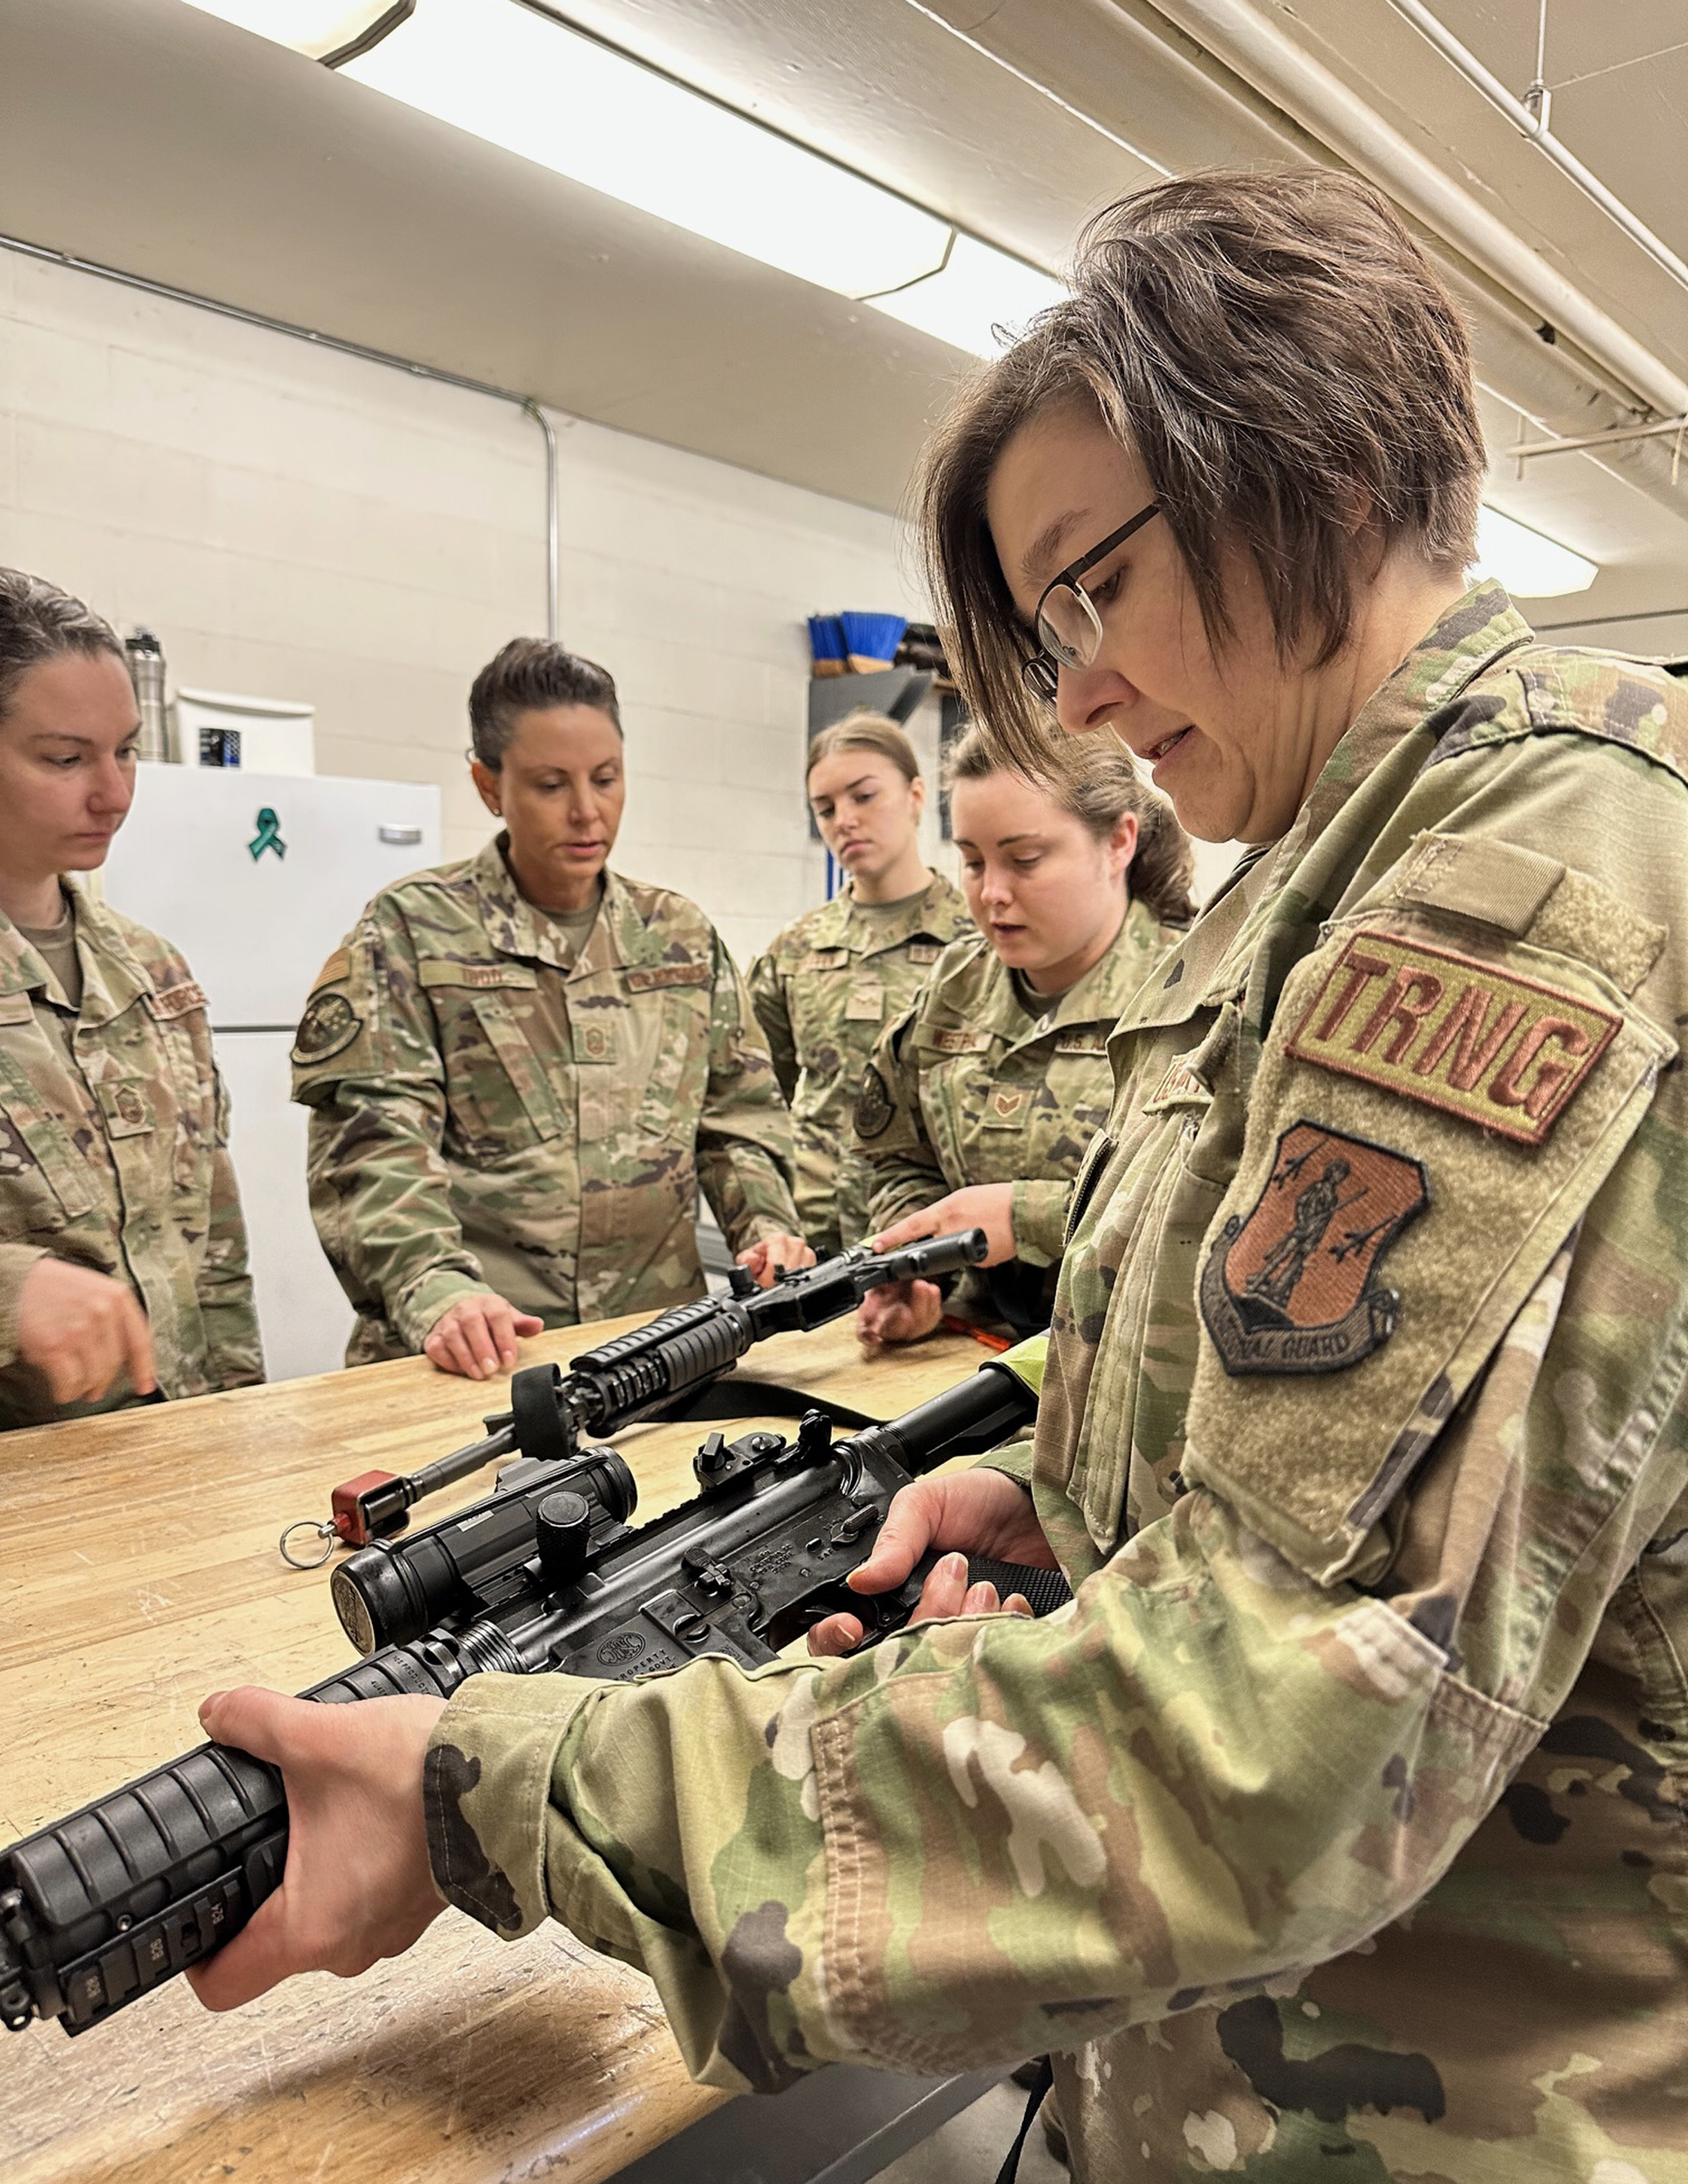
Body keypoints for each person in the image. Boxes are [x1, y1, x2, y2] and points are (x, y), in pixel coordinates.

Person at [186, 170, 1688, 2182]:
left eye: (1091, 586)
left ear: (1313, 477)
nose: (1067, 687)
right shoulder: (1344, 880)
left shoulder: (1516, 911)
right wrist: (1082, 1491)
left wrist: (493, 1780)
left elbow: (1258, 1758)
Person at [291, 640, 807, 1379]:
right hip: (484, 1356)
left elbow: (738, 1118)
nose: (587, 811)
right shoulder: (413, 932)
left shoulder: (679, 938)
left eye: (607, 778)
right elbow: (375, 1147)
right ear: (486, 784)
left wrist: (768, 1231)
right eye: (549, 784)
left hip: (657, 1353)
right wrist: (438, 1291)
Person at [0, 569, 261, 1430]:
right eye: (66, 759)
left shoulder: (155, 976)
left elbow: (213, 1251)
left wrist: (237, 1431)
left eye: (127, 751)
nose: (113, 792)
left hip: (167, 1470)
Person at [849, 727, 1190, 1343]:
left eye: (1025, 860)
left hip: (1129, 1369)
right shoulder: (953, 989)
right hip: (964, 1364)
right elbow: (900, 1154)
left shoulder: (1191, 997)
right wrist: (921, 1269)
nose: (991, 894)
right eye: (973, 862)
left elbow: (1203, 1209)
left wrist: (1024, 1217)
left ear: (1118, 842)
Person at [747, 712, 972, 1257]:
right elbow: (750, 1099)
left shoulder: (975, 943)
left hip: (927, 1240)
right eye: (825, 809)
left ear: (917, 796)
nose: (843, 820)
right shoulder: (796, 948)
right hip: (810, 1238)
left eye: (864, 796)